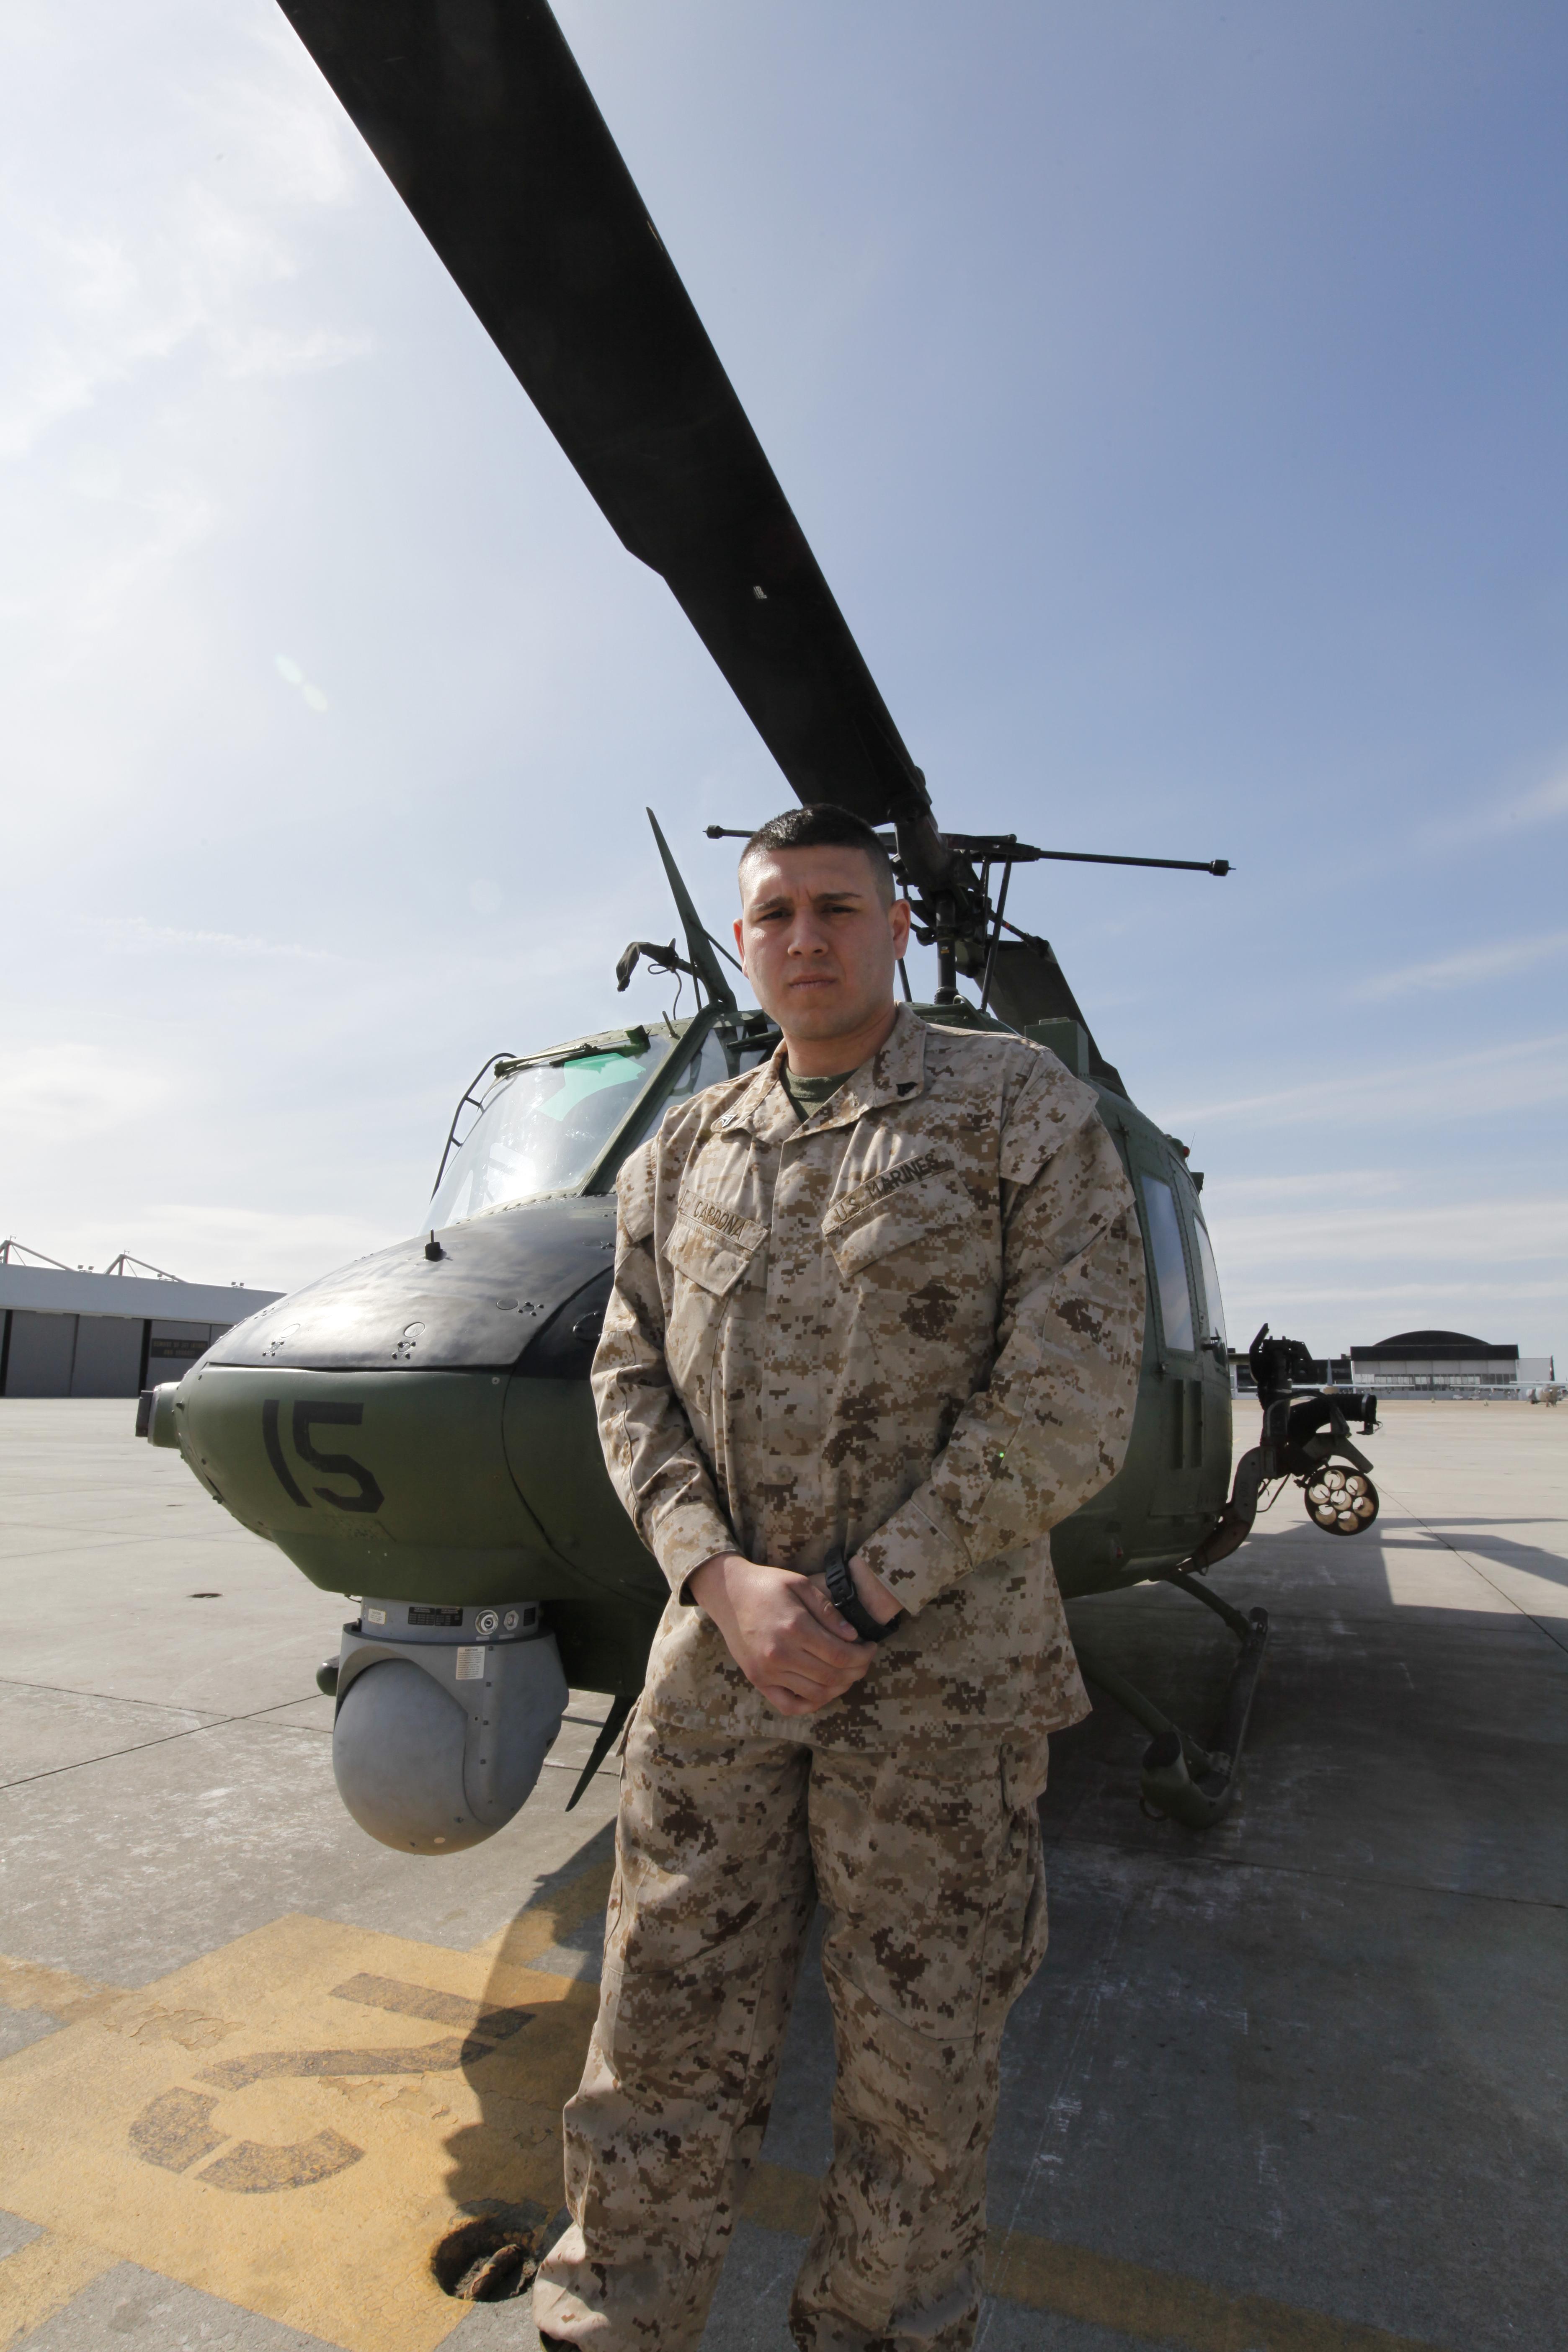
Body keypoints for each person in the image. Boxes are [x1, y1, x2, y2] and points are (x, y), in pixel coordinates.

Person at [533, 803, 1145, 2352]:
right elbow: (626, 1379)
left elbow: (1070, 1399)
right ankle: (615, 2323)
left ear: (897, 929)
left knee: (920, 2072)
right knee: (654, 2036)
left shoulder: (1020, 1111)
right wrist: (719, 1580)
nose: (804, 936)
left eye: (836, 908)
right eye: (776, 914)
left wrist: (866, 1596)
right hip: (719, 1675)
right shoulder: (686, 1146)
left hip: (938, 1688)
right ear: (745, 943)